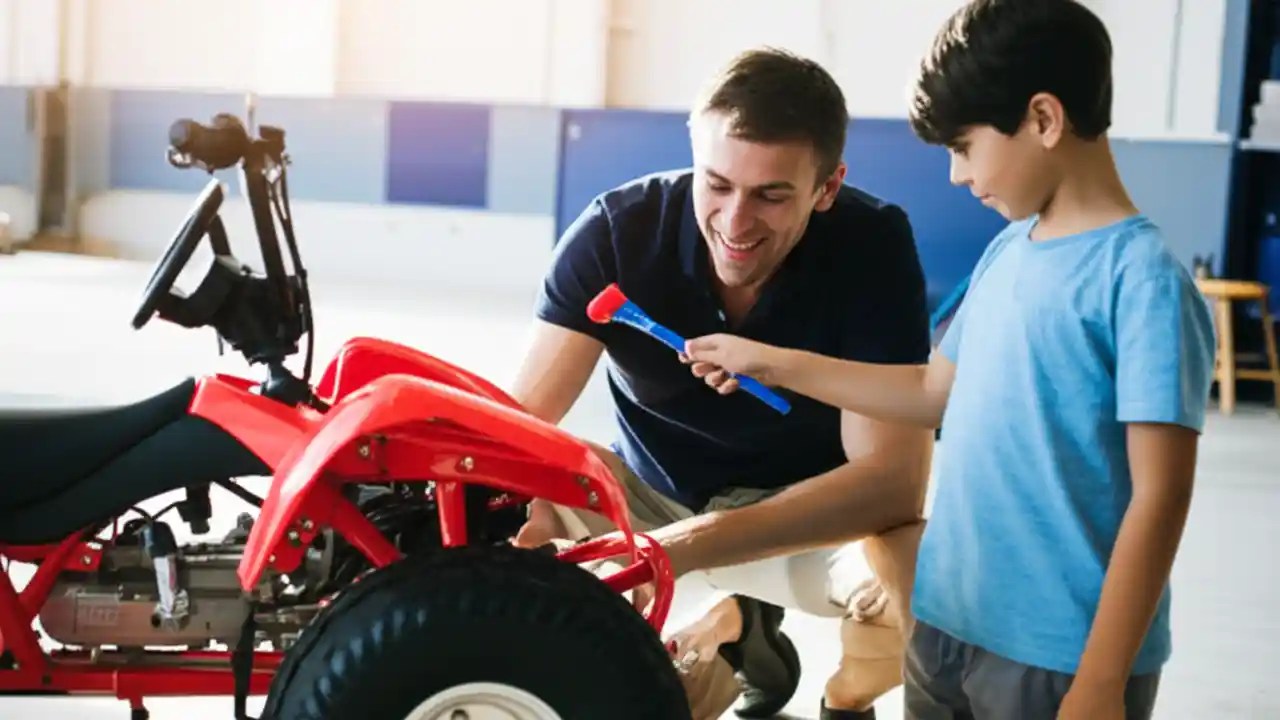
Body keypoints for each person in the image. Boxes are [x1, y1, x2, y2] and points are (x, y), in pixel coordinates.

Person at [683, 2, 1218, 719]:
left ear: (1044, 119)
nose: (958, 176)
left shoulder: (1142, 281)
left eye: (964, 146)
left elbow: (1161, 498)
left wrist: (1101, 680)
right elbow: (934, 392)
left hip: (1057, 657)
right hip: (948, 625)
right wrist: (774, 362)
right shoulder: (1007, 252)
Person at [508, 47, 935, 719]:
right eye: (716, 184)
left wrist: (674, 553)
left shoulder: (872, 244)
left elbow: (891, 482)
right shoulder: (615, 232)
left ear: (827, 188)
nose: (735, 224)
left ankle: (842, 695)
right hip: (648, 501)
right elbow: (514, 424)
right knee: (493, 510)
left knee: (928, 583)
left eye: (771, 195)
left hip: (803, 524)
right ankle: (728, 634)